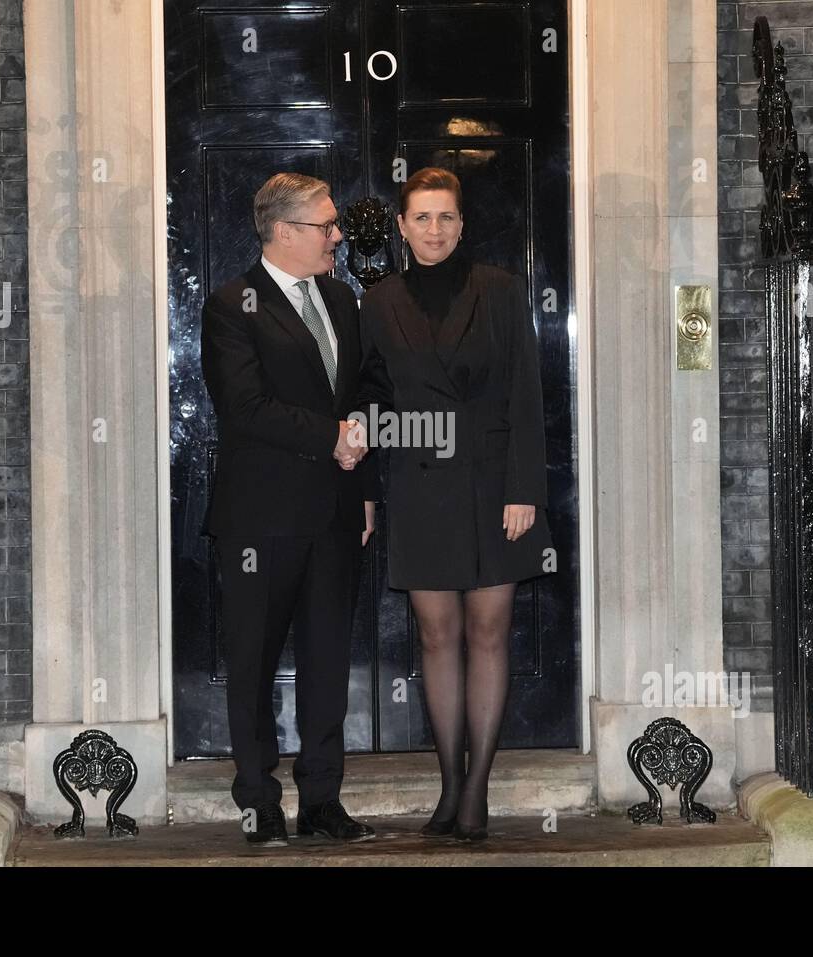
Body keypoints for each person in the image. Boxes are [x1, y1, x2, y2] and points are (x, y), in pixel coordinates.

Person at [357, 167, 553, 841]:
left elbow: (527, 393)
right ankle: (446, 784)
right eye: (422, 218)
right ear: (403, 226)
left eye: (446, 218)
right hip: (419, 486)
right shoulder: (378, 300)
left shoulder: (501, 291)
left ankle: (476, 791)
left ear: (461, 225)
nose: (434, 230)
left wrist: (526, 488)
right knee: (437, 637)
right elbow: (373, 398)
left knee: (488, 634)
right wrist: (364, 466)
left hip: (496, 486)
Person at [200, 172, 377, 847]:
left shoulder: (340, 298)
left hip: (335, 512)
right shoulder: (231, 304)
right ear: (283, 230)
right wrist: (330, 436)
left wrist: (365, 490)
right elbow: (243, 409)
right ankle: (259, 801)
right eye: (326, 226)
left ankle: (324, 800)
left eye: (333, 226)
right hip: (260, 517)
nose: (338, 236)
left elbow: (357, 395)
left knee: (328, 659)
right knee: (252, 659)